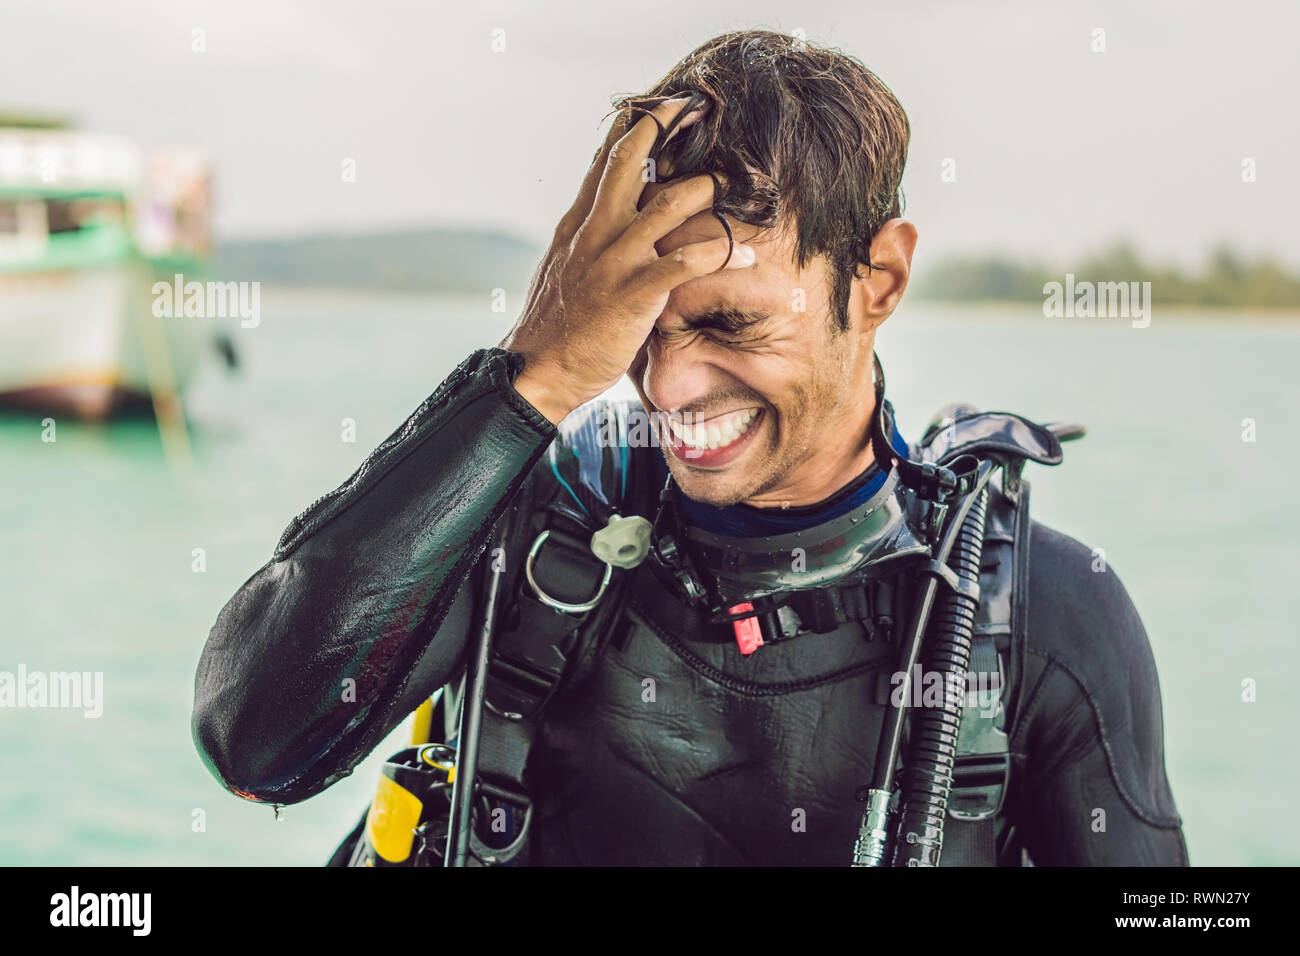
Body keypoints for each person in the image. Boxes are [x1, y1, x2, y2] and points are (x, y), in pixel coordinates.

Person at [192, 29, 1188, 866]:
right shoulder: (530, 537)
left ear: (877, 279)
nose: (666, 385)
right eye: (634, 326)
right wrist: (533, 374)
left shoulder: (1034, 620)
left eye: (729, 325)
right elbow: (255, 743)